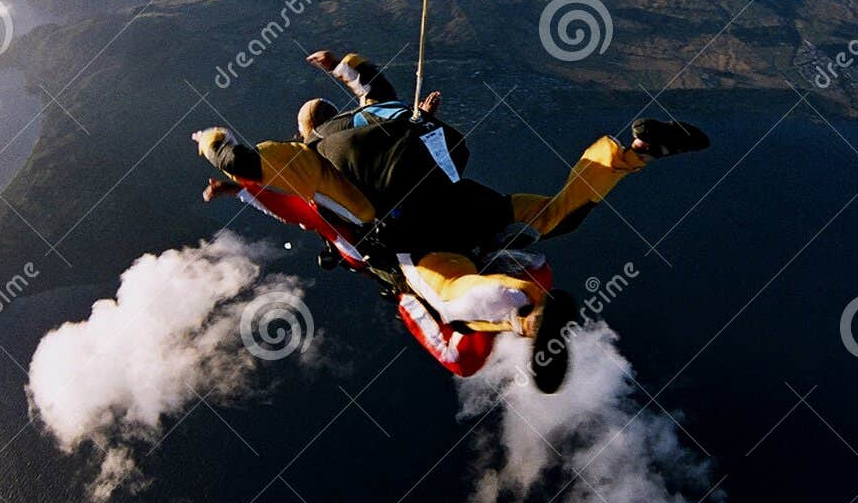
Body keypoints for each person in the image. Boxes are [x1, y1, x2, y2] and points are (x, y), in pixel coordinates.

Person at [196, 51, 710, 391]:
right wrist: (339, 62)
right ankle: (635, 151)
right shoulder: (379, 112)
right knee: (554, 214)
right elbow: (369, 78)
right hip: (465, 202)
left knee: (449, 296)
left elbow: (249, 165)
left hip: (413, 239)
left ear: (304, 133)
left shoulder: (311, 160)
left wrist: (210, 144)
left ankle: (527, 315)